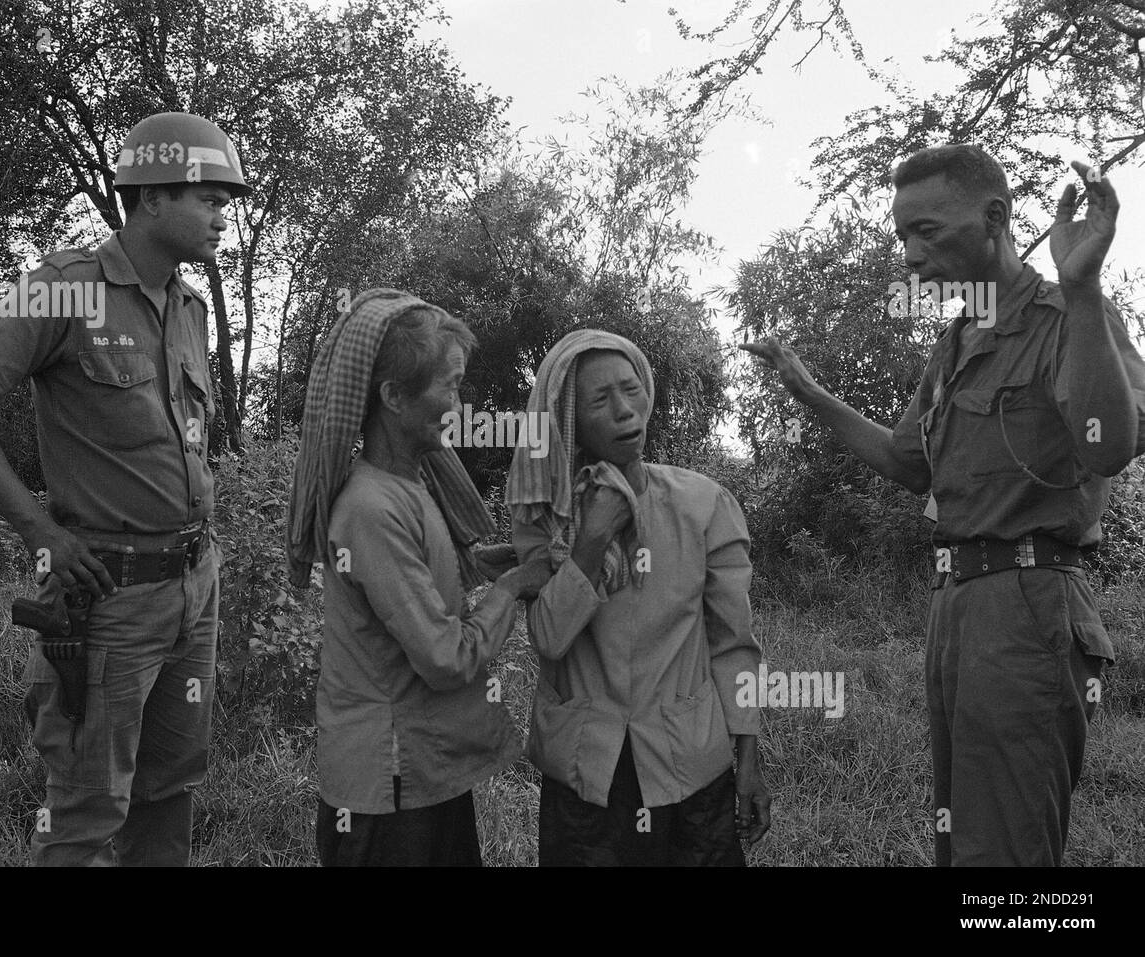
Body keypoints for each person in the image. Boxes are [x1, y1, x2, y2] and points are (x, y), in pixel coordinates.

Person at [744, 144, 1145, 865]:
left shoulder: (1067, 315)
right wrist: (808, 392)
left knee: (1008, 857)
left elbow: (1108, 445)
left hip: (1029, 606)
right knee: (962, 844)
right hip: (956, 606)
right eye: (902, 235)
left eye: (926, 231)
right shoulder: (959, 339)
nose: (910, 253)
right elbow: (908, 461)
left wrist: (1082, 289)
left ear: (994, 218)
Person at [0, 112, 250, 865]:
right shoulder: (64, 290)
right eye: (210, 198)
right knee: (88, 814)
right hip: (108, 596)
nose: (223, 216)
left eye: (226, 202)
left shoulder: (190, 308)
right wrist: (38, 530)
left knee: (172, 788)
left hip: (195, 586)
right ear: (152, 198)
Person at [285, 289, 550, 866]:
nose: (460, 401)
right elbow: (444, 657)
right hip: (389, 786)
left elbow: (417, 582)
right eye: (449, 385)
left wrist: (483, 567)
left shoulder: (407, 484)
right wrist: (512, 588)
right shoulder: (372, 509)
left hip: (420, 772)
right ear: (393, 397)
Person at [506, 330, 770, 866]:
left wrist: (748, 756)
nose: (626, 411)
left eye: (632, 390)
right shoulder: (547, 517)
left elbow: (733, 643)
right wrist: (592, 541)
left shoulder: (703, 504)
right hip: (588, 780)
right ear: (570, 418)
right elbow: (549, 639)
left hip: (691, 771)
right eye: (602, 400)